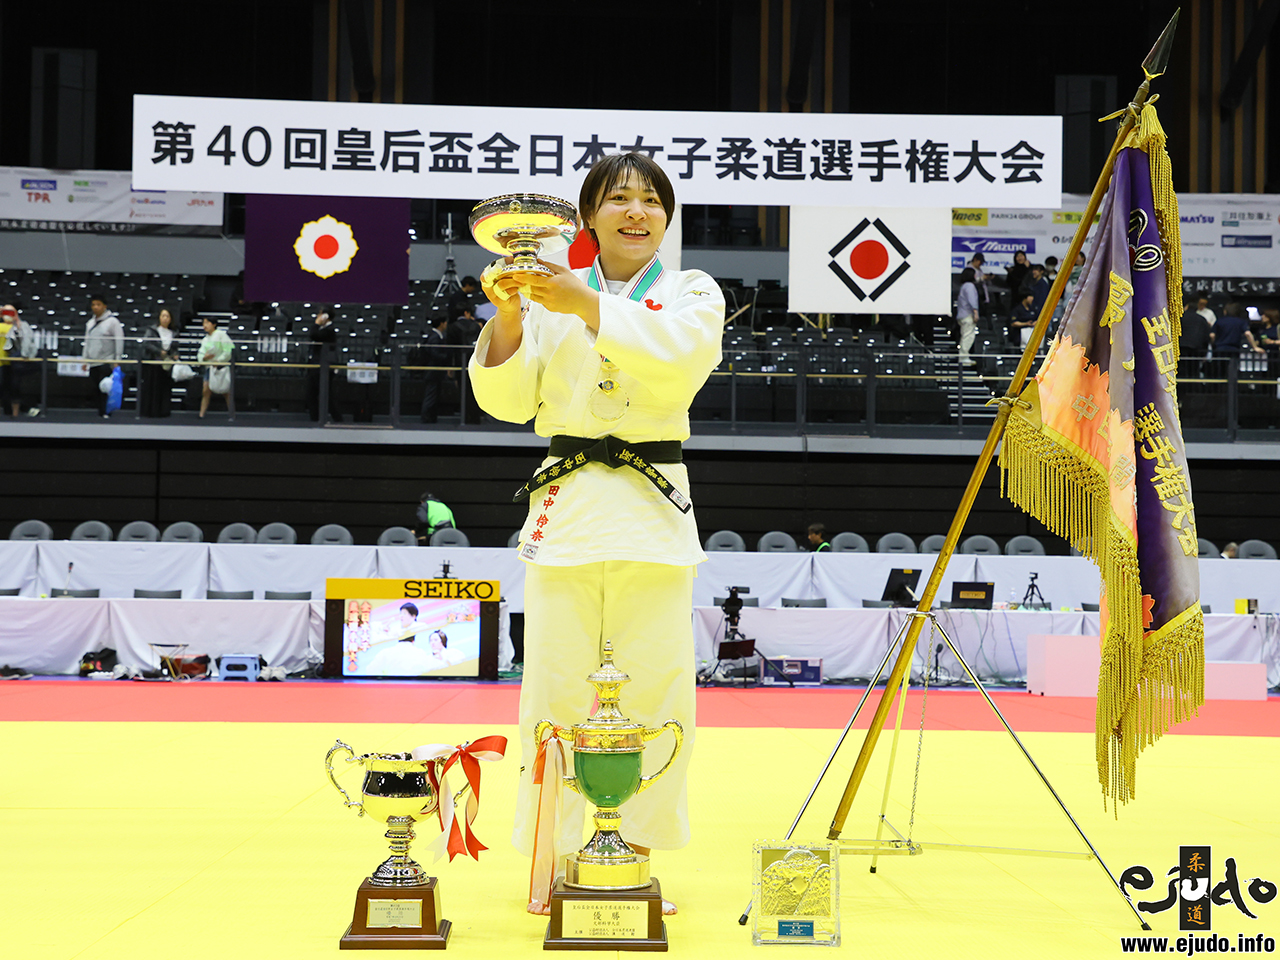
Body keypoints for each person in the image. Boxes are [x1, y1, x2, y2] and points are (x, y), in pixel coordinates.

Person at [468, 151, 723, 917]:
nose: (636, 211)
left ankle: (631, 858)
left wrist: (582, 303)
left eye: (650, 199)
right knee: (553, 685)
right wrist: (513, 313)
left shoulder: (692, 291)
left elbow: (680, 367)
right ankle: (552, 853)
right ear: (588, 218)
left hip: (652, 511)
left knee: (658, 688)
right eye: (618, 199)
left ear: (667, 218)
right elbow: (511, 404)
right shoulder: (547, 296)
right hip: (570, 508)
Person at [83, 294, 123, 418]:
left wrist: (117, 359)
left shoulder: (113, 322)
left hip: (107, 360)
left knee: (105, 388)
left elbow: (119, 340)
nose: (95, 307)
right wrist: (85, 360)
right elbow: (86, 341)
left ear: (104, 306)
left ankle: (107, 412)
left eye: (98, 304)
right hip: (93, 362)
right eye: (93, 305)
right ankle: (100, 412)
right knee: (96, 388)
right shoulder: (90, 323)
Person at [140, 308, 178, 419]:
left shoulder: (174, 333)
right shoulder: (152, 330)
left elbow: (175, 347)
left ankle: (163, 411)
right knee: (151, 387)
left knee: (164, 388)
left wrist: (175, 354)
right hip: (153, 362)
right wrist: (158, 351)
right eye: (163, 316)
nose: (165, 318)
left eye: (167, 316)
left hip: (166, 364)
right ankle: (150, 412)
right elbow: (146, 344)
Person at [307, 306, 343, 422]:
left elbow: (313, 334)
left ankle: (337, 419)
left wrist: (317, 323)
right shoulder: (324, 330)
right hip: (316, 366)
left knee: (326, 394)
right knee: (312, 395)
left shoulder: (329, 330)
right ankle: (315, 419)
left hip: (323, 368)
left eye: (320, 314)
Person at [197, 316, 234, 418]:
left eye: (207, 322)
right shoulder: (205, 339)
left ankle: (232, 412)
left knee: (226, 391)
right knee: (206, 391)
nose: (205, 325)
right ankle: (201, 414)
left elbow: (228, 350)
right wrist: (204, 358)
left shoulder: (221, 335)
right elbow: (200, 354)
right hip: (209, 367)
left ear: (214, 324)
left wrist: (219, 360)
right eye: (203, 323)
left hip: (221, 367)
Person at [420, 313, 449, 423]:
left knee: (434, 395)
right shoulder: (434, 337)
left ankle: (431, 417)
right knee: (430, 396)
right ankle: (426, 418)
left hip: (435, 372)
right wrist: (446, 356)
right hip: (432, 372)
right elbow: (434, 353)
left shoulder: (437, 336)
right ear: (441, 324)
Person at [955, 267, 979, 365]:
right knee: (968, 335)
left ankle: (964, 356)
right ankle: (963, 357)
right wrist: (975, 312)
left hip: (962, 315)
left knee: (965, 335)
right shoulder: (969, 286)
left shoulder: (964, 286)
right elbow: (972, 300)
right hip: (967, 314)